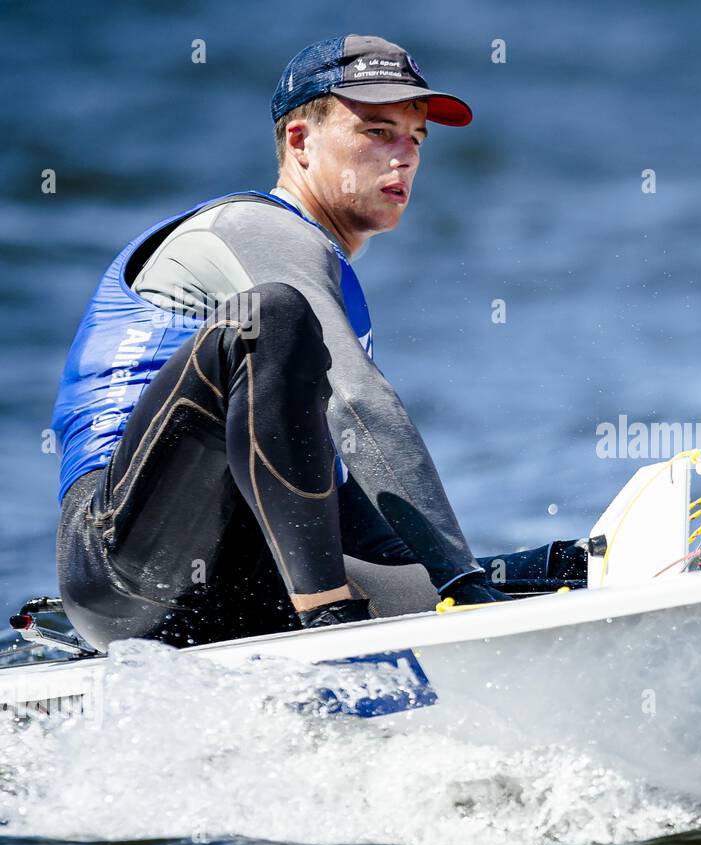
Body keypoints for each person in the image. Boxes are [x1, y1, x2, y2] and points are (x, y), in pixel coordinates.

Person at [51, 35, 516, 650]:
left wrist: (513, 574)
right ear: (300, 141)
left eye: (416, 138)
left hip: (244, 581)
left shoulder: (324, 276)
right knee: (273, 316)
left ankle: (335, 614)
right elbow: (360, 402)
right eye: (378, 132)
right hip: (118, 563)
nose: (404, 156)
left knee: (494, 574)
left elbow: (342, 506)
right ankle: (330, 624)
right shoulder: (257, 231)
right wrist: (459, 578)